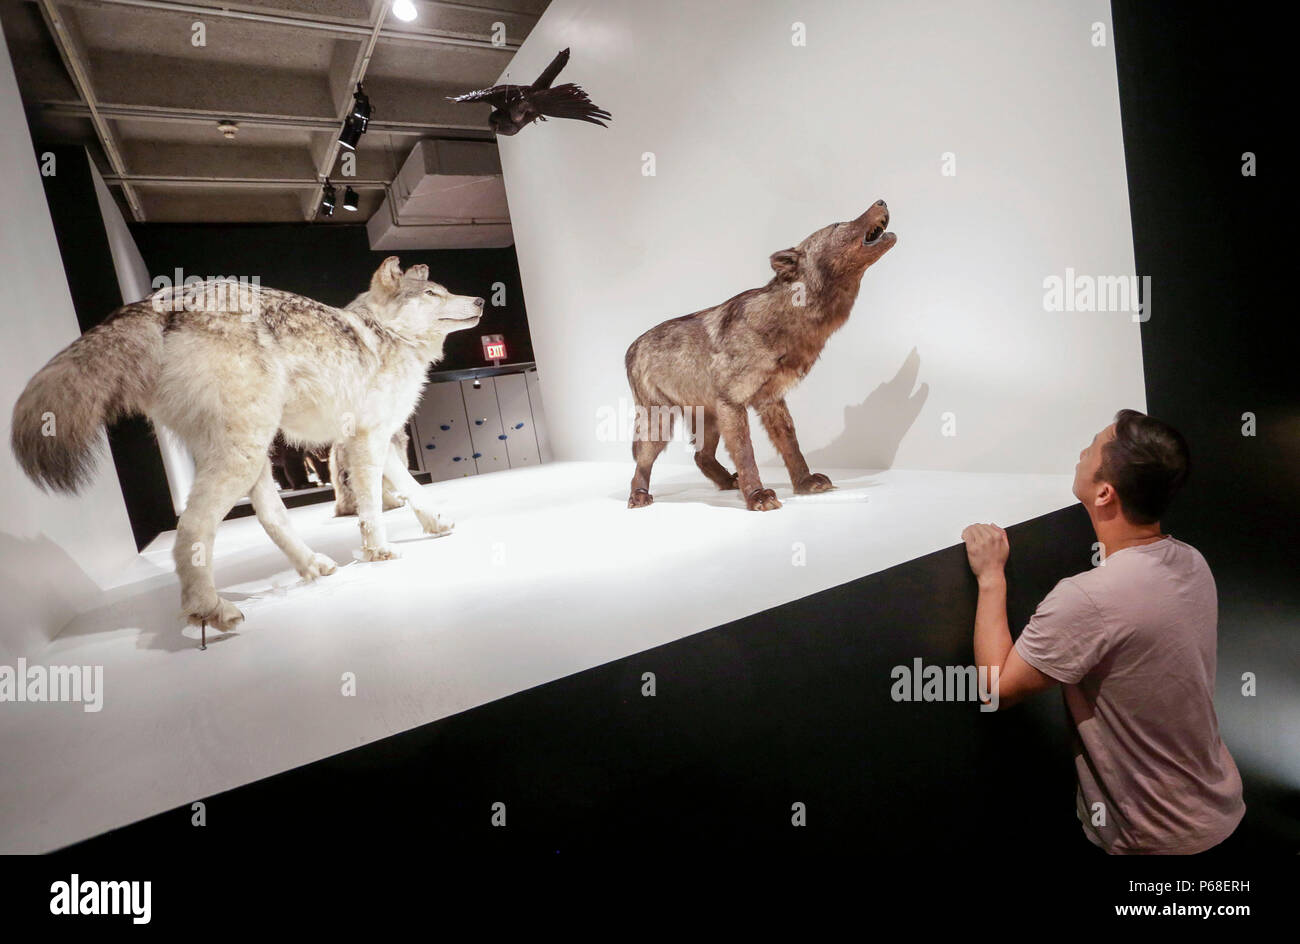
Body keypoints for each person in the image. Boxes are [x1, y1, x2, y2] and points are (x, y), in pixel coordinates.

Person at [961, 409, 1244, 854]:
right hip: (1221, 812)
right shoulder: (1193, 560)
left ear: (1105, 492)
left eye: (1091, 448)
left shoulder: (1088, 598)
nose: (1081, 452)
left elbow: (996, 689)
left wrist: (991, 577)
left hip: (1156, 841)